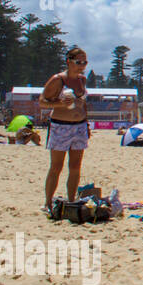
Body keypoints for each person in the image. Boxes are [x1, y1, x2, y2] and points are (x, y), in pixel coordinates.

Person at [39, 46, 90, 211]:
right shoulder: (58, 80)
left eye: (85, 62)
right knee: (56, 166)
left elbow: (83, 104)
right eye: (78, 61)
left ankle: (71, 200)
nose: (82, 65)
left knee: (75, 166)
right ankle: (47, 202)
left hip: (79, 126)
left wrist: (87, 123)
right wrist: (60, 104)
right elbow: (42, 101)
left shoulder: (82, 80)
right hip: (61, 126)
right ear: (69, 62)